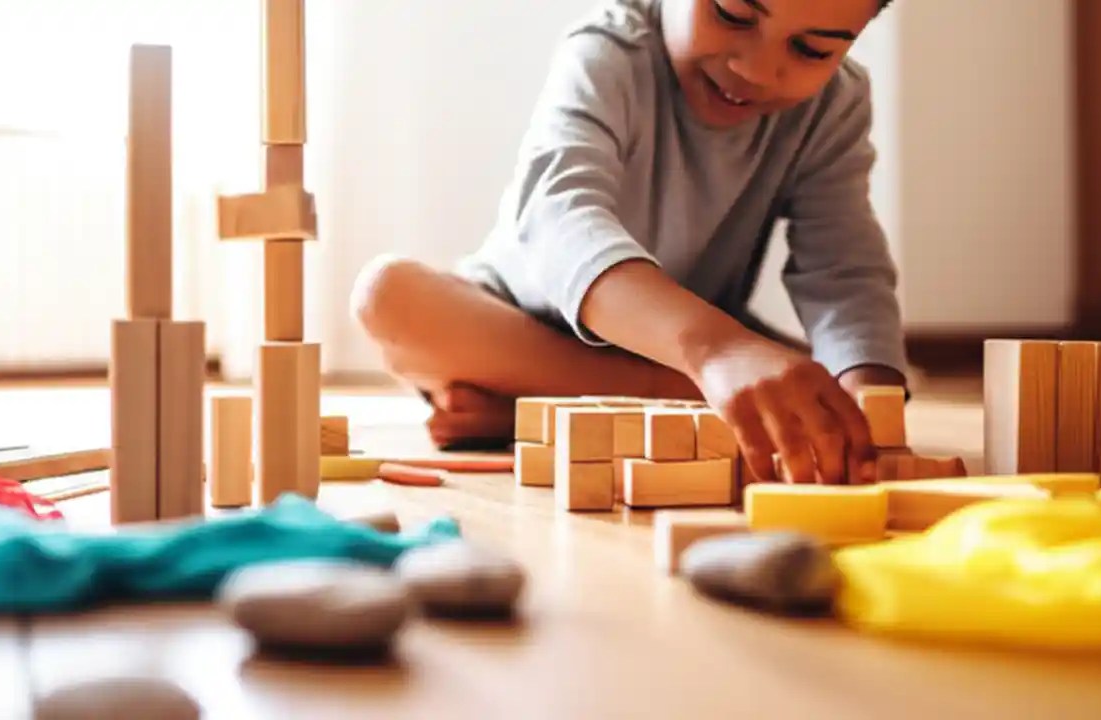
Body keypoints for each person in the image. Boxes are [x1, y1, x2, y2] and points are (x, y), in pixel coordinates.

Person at [350, 0, 906, 487]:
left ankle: (538, 408)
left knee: (812, 379)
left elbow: (843, 269)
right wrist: (719, 351)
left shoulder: (837, 104)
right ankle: (657, 400)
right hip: (531, 326)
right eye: (732, 13)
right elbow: (560, 222)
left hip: (688, 338)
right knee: (388, 294)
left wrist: (866, 403)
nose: (755, 68)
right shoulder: (607, 54)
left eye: (811, 50)